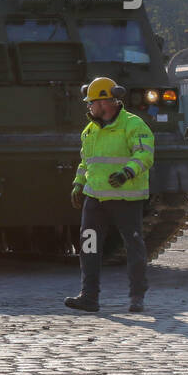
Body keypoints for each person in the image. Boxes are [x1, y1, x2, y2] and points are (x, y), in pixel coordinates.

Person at [66, 76, 155, 314]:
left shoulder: (133, 125)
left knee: (133, 245)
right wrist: (78, 183)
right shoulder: (90, 131)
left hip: (126, 200)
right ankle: (89, 296)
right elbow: (86, 162)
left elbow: (145, 155)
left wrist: (127, 172)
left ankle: (137, 297)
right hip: (95, 201)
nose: (89, 106)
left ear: (106, 102)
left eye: (92, 102)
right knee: (89, 245)